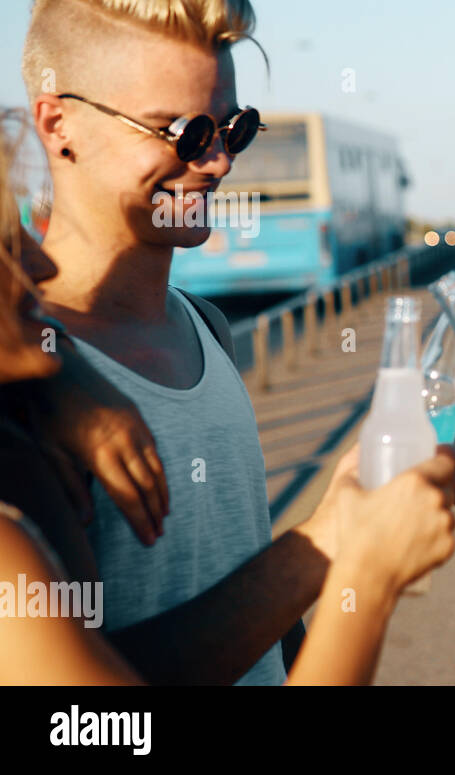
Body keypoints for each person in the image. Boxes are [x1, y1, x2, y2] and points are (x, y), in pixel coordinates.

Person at [0, 115, 455, 685]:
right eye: (6, 244)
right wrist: (360, 571)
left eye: (237, 132)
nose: (218, 161)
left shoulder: (191, 333)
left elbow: (262, 618)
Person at [17, 0, 380, 684]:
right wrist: (331, 543)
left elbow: (251, 584)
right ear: (57, 124)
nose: (216, 163)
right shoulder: (23, 379)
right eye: (181, 132)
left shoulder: (205, 328)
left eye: (234, 129)